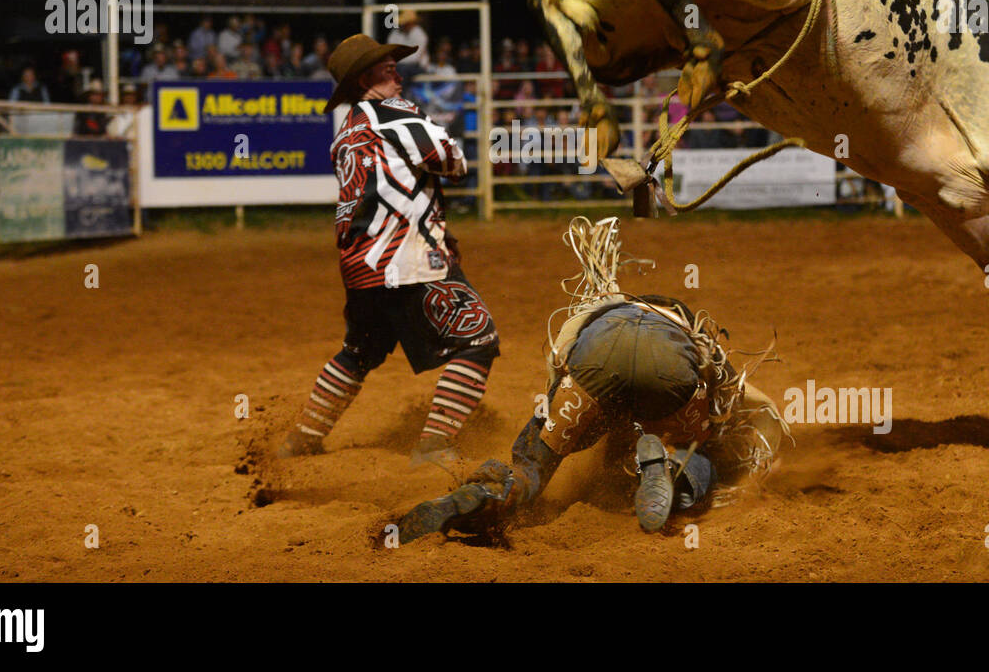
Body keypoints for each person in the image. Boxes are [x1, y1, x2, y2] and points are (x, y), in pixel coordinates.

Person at [394, 217, 788, 543]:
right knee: (695, 452)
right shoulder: (694, 336)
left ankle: (487, 493)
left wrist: (559, 436)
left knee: (531, 467)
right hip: (669, 364)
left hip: (594, 358)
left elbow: (560, 374)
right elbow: (748, 404)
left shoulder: (594, 314)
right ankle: (668, 468)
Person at [278, 33, 501, 465]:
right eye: (387, 67)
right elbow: (451, 159)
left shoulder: (347, 133)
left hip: (361, 267)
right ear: (366, 77)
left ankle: (300, 440)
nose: (397, 73)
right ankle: (434, 445)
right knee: (478, 338)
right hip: (407, 260)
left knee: (360, 351)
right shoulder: (393, 114)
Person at [387, 9, 429, 81]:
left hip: (417, 67)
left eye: (405, 23)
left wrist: (398, 59)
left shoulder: (420, 35)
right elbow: (390, 49)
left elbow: (414, 59)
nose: (403, 25)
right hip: (399, 65)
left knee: (402, 70)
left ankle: (401, 92)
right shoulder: (396, 32)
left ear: (412, 22)